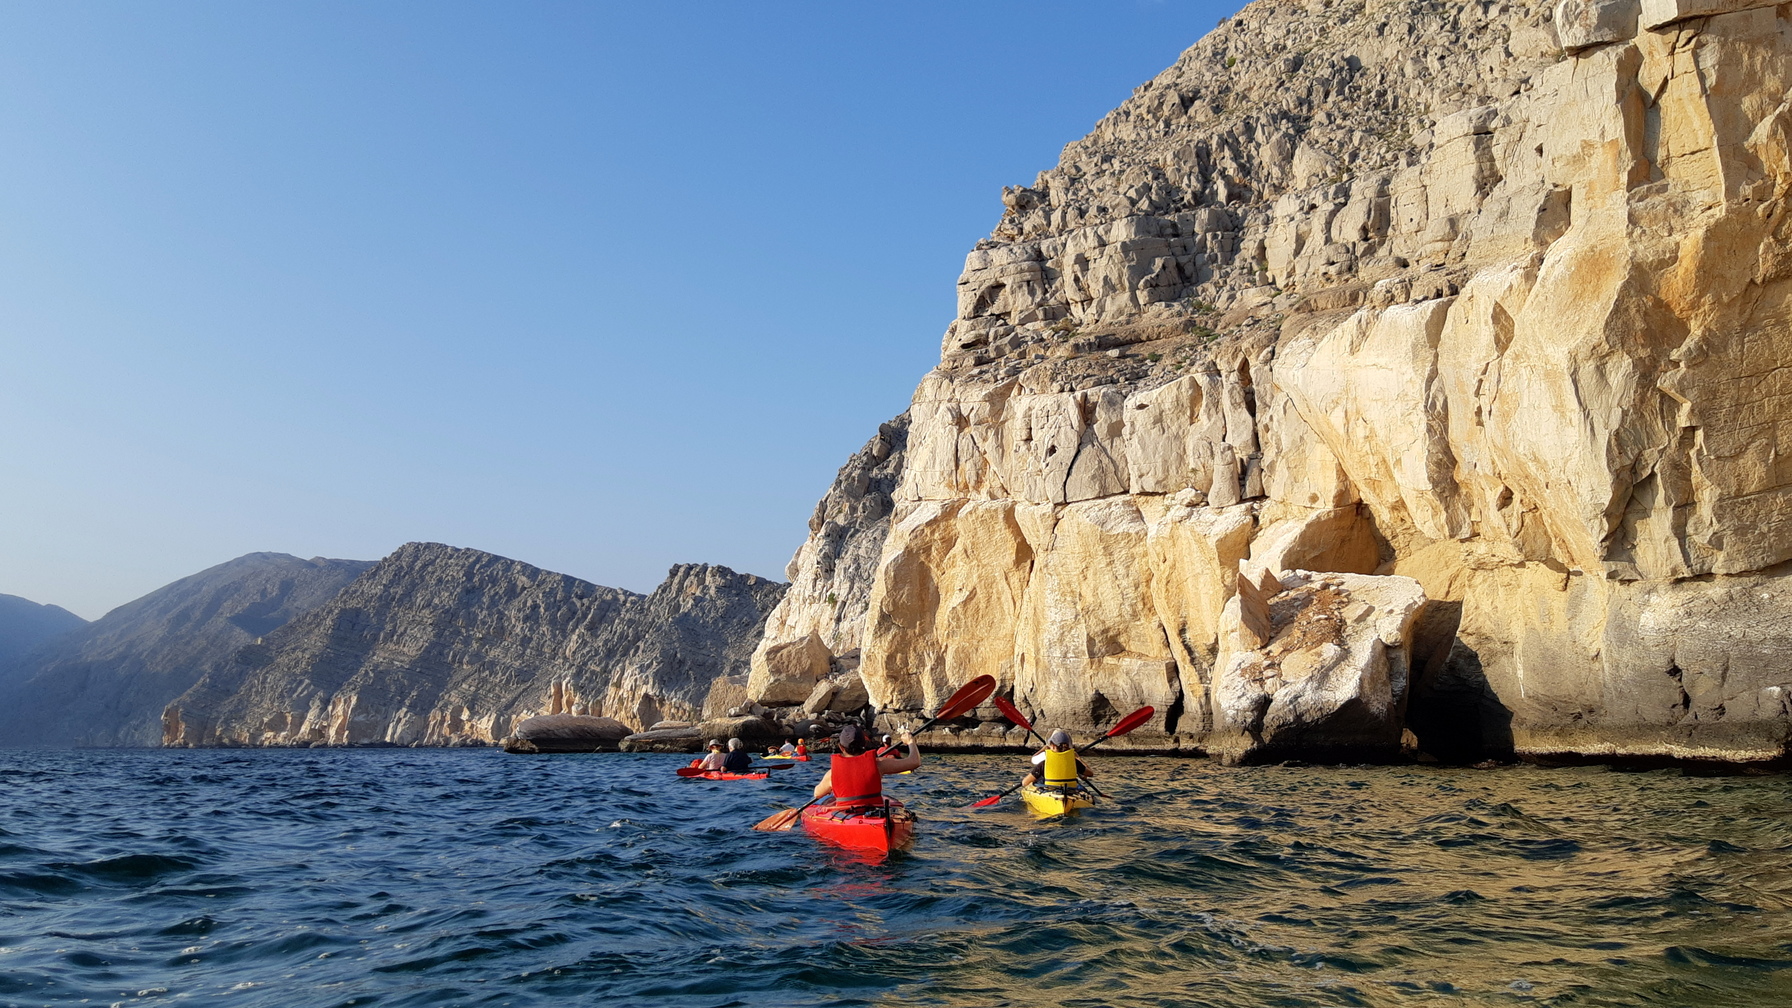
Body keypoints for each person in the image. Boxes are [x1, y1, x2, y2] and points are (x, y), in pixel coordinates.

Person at [812, 725, 918, 808]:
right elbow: (915, 762)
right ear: (865, 744)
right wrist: (910, 742)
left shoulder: (832, 774)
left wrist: (830, 788)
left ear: (841, 747)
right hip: (875, 813)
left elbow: (817, 794)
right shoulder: (879, 765)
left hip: (846, 816)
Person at [1022, 729, 1093, 792]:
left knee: (1037, 782)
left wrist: (1043, 749)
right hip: (1070, 791)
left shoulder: (1044, 763)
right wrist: (1078, 758)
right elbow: (1090, 773)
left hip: (1050, 791)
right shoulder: (1074, 762)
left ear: (1052, 746)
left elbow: (1025, 783)